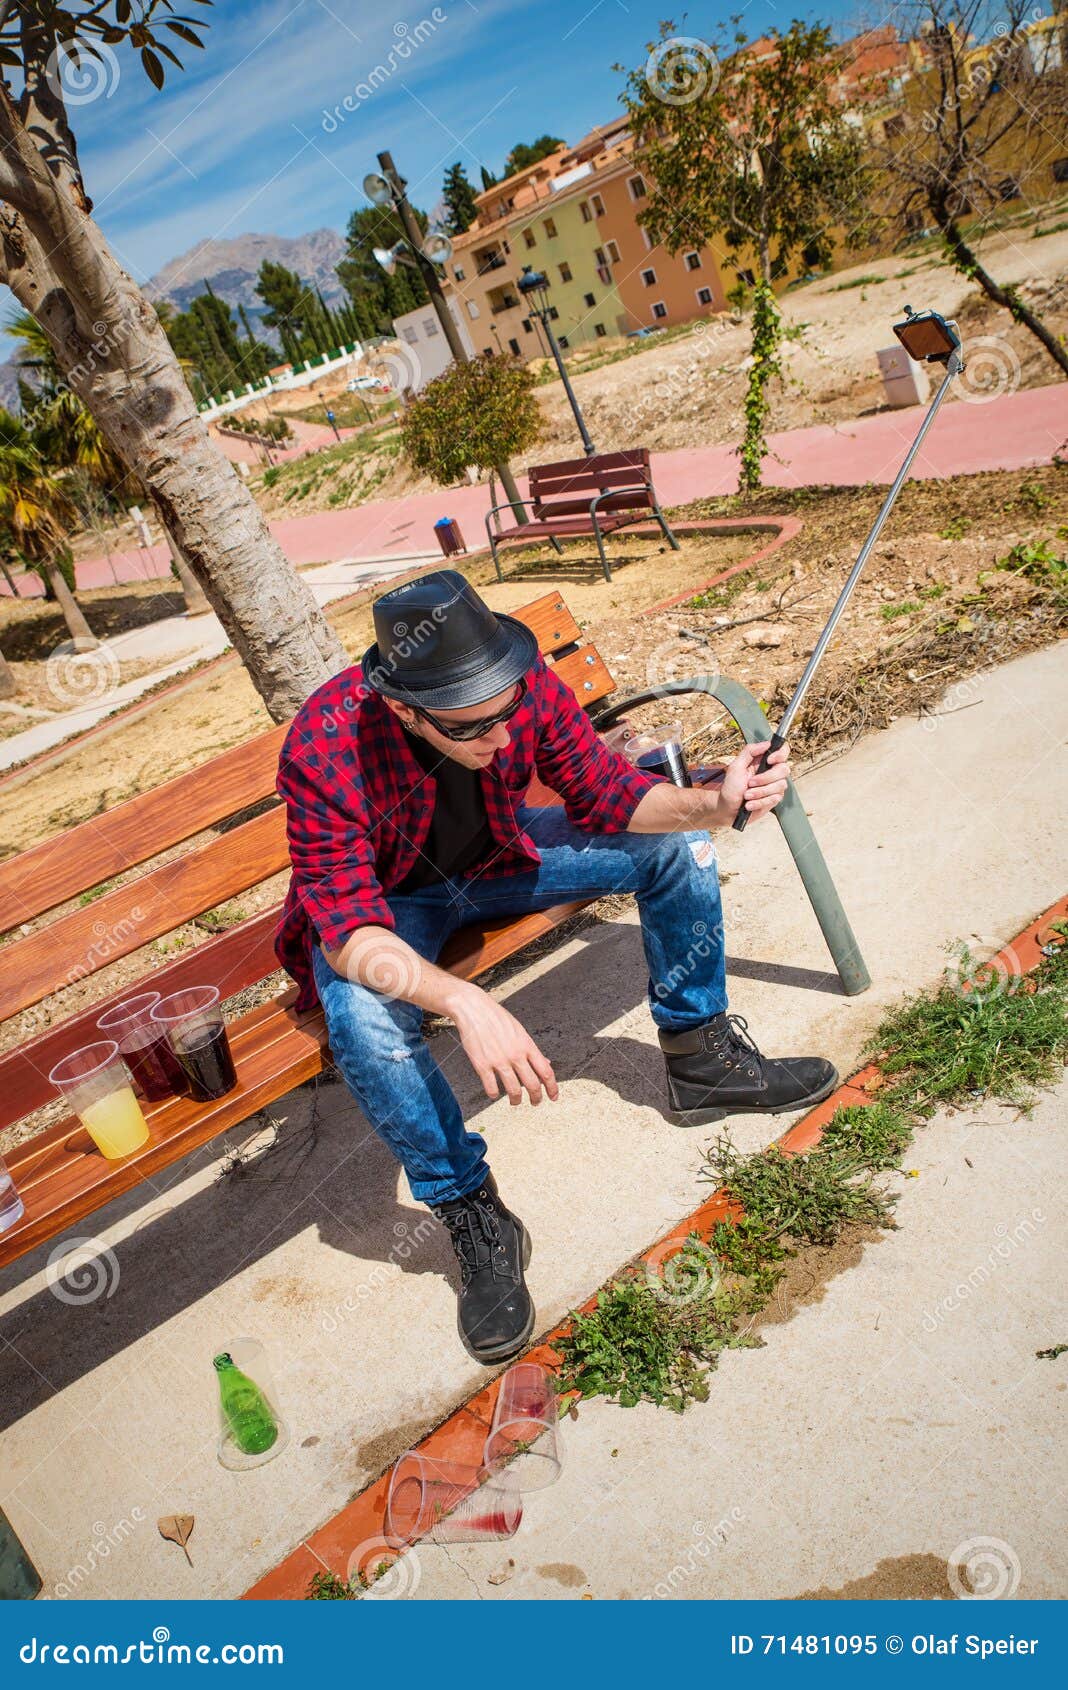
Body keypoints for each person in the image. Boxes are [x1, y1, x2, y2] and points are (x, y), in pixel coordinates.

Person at [275, 570, 837, 1364]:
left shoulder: (514, 677)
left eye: (509, 712)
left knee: (681, 847)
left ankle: (701, 1059)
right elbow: (348, 938)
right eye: (474, 727)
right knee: (362, 1018)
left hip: (504, 855)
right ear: (405, 708)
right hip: (395, 904)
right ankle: (473, 1211)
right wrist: (466, 1003)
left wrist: (715, 803)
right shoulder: (324, 744)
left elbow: (606, 792)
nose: (503, 736)